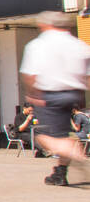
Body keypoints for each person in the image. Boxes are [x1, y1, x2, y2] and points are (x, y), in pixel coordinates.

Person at [19, 10, 90, 186]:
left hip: (49, 95)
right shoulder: (79, 45)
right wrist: (81, 97)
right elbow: (86, 76)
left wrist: (32, 94)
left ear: (45, 25)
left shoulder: (38, 45)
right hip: (73, 94)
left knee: (43, 136)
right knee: (63, 135)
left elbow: (29, 74)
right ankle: (60, 173)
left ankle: (76, 153)